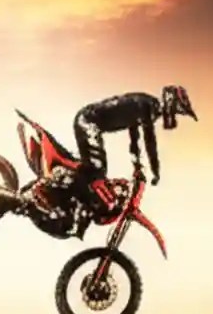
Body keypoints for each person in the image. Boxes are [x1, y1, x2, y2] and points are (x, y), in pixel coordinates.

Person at [71, 85, 197, 225]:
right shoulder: (148, 106)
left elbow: (134, 137)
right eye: (176, 110)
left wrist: (137, 164)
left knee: (97, 169)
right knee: (97, 170)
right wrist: (155, 172)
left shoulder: (146, 105)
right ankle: (73, 194)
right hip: (88, 122)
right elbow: (150, 143)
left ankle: (78, 197)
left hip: (90, 123)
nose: (174, 115)